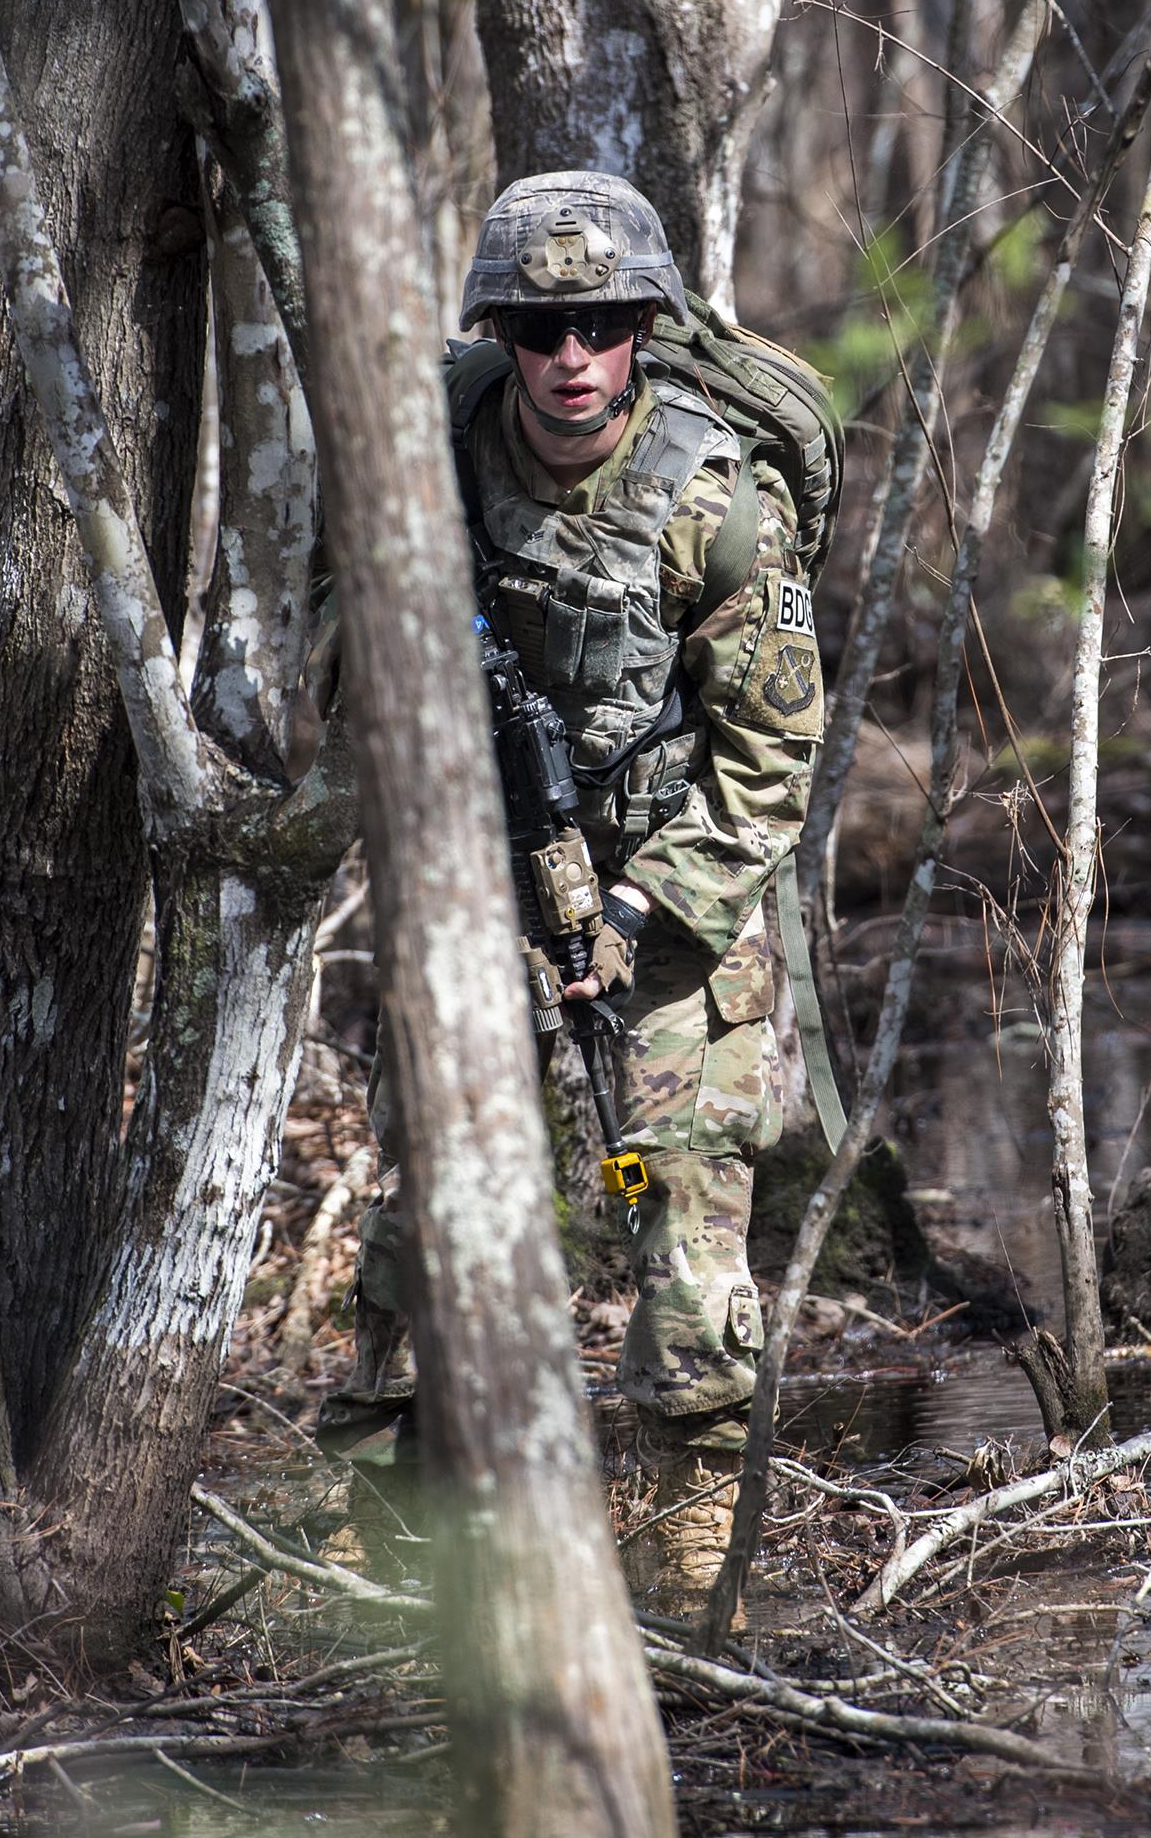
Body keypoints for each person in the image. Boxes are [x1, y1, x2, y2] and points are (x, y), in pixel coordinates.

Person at [343, 171, 823, 1622]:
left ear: (641, 334)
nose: (570, 357)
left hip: (673, 890)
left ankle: (687, 1541)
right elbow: (338, 646)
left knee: (666, 1196)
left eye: (602, 325)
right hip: (472, 873)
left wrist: (633, 916)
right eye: (542, 327)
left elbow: (773, 760)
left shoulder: (718, 501)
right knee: (435, 1186)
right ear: (504, 331)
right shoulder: (428, 458)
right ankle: (398, 1513)